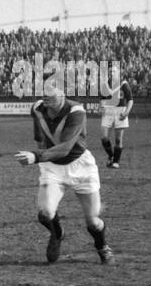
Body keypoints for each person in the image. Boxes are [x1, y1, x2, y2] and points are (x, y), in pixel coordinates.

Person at [14, 82, 113, 264]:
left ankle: (102, 246)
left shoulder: (76, 112)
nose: (47, 100)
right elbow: (38, 133)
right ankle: (57, 233)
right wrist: (40, 146)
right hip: (52, 166)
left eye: (52, 96)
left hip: (80, 166)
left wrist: (36, 156)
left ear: (62, 95)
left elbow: (66, 148)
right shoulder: (37, 108)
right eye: (45, 96)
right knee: (45, 212)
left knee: (93, 221)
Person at [99, 73, 134, 167]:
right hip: (108, 110)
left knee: (118, 139)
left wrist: (126, 112)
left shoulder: (124, 84)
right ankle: (111, 155)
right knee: (104, 137)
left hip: (120, 110)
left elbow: (130, 100)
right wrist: (102, 107)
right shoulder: (105, 84)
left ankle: (116, 161)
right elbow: (102, 98)